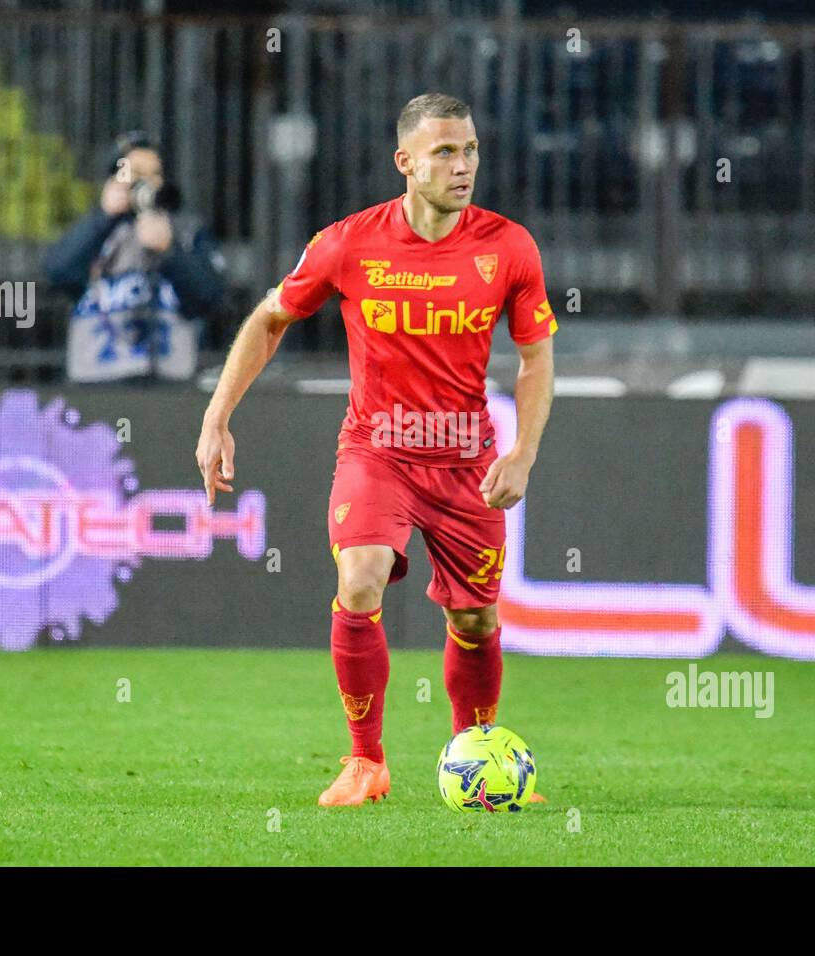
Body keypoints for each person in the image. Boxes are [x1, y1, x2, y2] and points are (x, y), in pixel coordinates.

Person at [194, 93, 557, 806]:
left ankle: (475, 752)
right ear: (406, 162)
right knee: (359, 582)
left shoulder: (508, 246)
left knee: (475, 619)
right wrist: (217, 418)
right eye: (446, 152)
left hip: (466, 460)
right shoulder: (348, 243)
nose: (464, 166)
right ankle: (366, 761)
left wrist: (522, 454)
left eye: (472, 150)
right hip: (377, 451)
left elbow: (536, 358)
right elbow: (271, 319)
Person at [43, 131, 226, 383]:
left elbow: (210, 297)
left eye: (155, 175)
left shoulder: (185, 230)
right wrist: (103, 218)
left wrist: (170, 252)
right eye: (136, 174)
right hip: (96, 381)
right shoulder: (94, 230)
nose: (147, 183)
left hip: (168, 382)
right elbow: (57, 273)